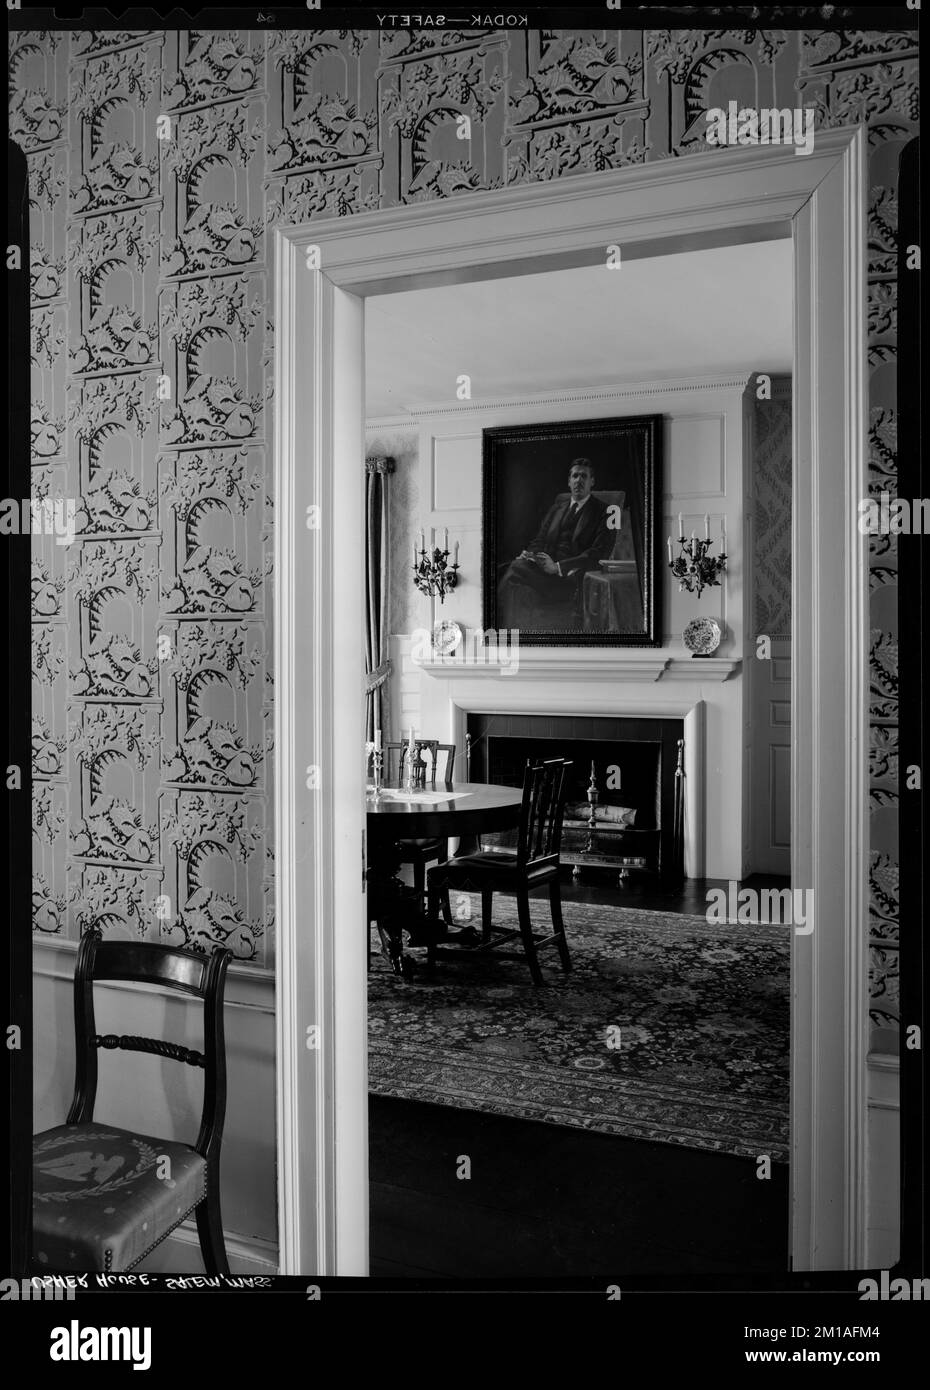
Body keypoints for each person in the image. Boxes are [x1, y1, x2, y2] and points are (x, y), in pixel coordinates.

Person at [498, 458, 614, 629]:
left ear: (592, 481)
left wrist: (558, 567)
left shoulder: (605, 511)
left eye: (584, 476)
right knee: (503, 568)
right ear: (569, 481)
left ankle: (501, 632)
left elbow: (599, 552)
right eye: (575, 476)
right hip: (544, 572)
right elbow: (540, 539)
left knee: (512, 570)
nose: (578, 480)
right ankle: (511, 630)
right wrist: (530, 554)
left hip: (571, 578)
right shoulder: (557, 508)